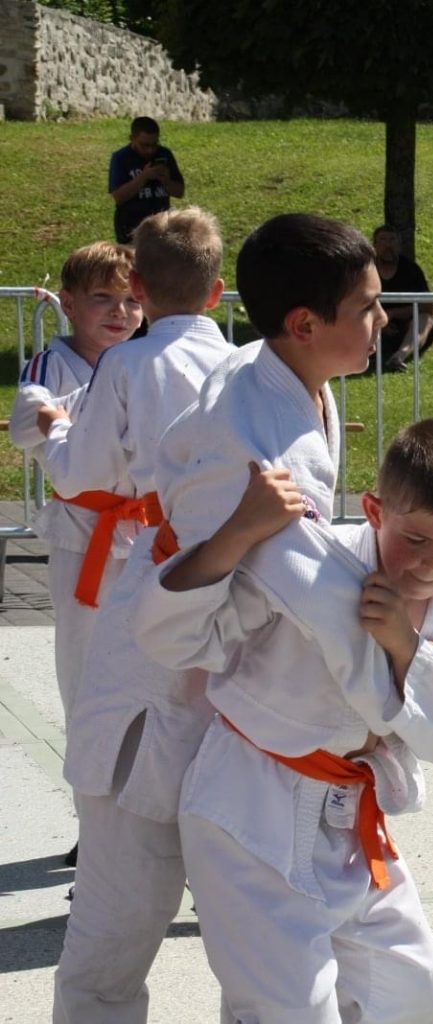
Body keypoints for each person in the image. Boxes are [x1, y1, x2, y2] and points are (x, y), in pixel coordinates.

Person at [133, 414, 433, 1024]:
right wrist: (236, 533)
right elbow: (172, 637)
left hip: (349, 822)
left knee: (415, 993)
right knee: (288, 1010)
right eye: (415, 540)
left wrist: (406, 647)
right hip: (250, 808)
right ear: (375, 510)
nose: (432, 564)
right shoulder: (306, 566)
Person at [43, 208, 233, 1023]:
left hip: (154, 570)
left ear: (142, 290)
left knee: (122, 788)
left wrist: (51, 436)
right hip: (239, 578)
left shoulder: (126, 364)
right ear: (220, 293)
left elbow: (82, 471)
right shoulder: (250, 366)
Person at [8, 242, 142, 868]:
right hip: (83, 538)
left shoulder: (145, 364)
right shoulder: (50, 363)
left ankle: (142, 819)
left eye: (132, 300)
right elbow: (32, 425)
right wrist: (80, 427)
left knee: (153, 680)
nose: (120, 312)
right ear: (67, 305)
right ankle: (96, 822)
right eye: (103, 300)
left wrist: (78, 425)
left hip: (146, 538)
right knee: (88, 686)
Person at [108, 116, 186, 246]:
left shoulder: (164, 154)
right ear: (132, 138)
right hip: (131, 231)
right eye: (144, 145)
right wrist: (143, 177)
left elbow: (180, 192)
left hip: (162, 229)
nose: (150, 150)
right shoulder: (121, 158)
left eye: (154, 144)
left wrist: (166, 180)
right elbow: (118, 197)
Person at [372, 225, 433, 372]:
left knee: (425, 319)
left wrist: (393, 313)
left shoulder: (411, 270)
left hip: (406, 330)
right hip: (373, 326)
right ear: (374, 245)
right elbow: (356, 303)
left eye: (392, 240)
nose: (388, 245)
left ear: (399, 246)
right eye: (383, 240)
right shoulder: (366, 270)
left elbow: (427, 307)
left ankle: (399, 357)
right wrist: (380, 320)